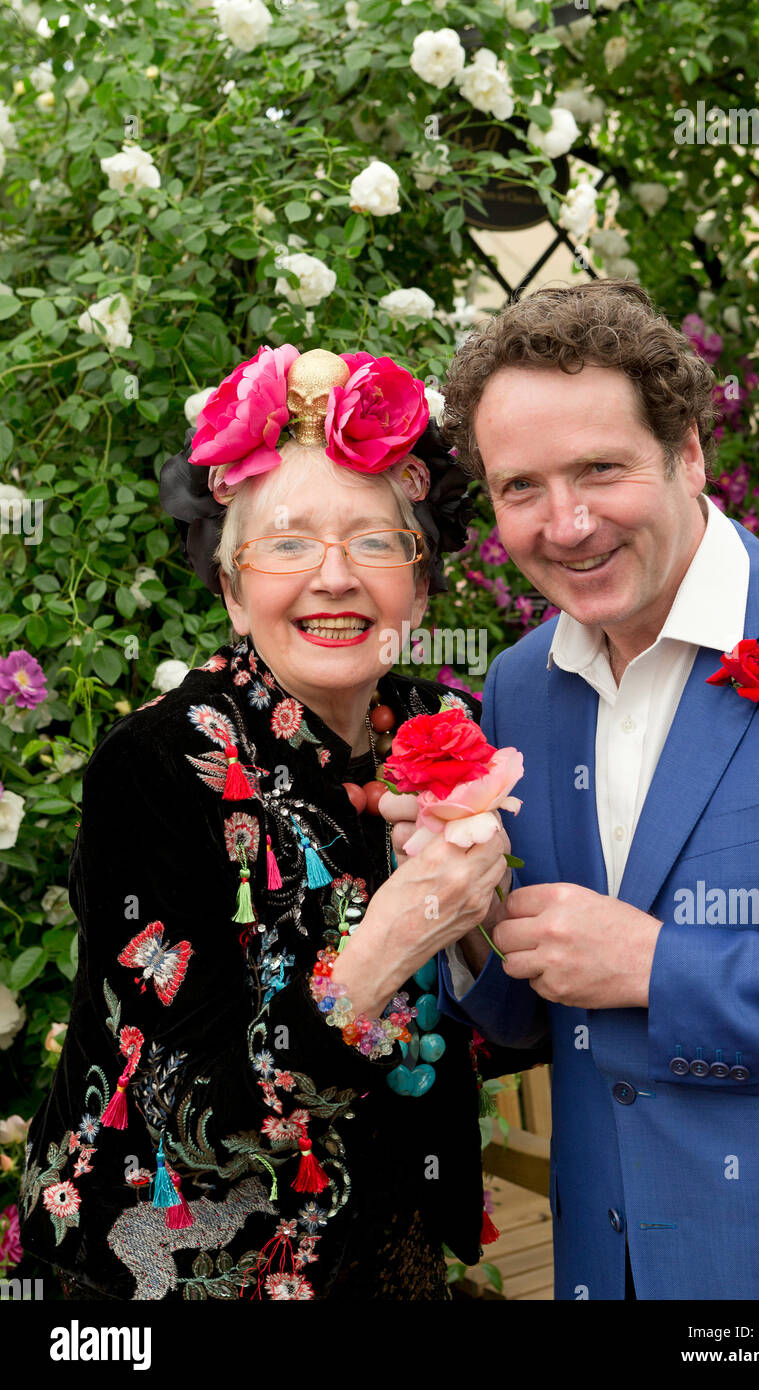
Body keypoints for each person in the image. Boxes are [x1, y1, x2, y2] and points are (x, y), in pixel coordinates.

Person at [385, 280, 759, 1300]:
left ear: (687, 451)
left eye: (599, 468)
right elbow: (527, 1019)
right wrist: (459, 905)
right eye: (521, 487)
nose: (565, 524)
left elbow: (627, 974)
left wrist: (658, 965)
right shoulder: (519, 684)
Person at [17, 342, 519, 1301]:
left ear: (418, 586)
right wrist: (390, 942)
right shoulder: (159, 763)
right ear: (232, 590)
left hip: (388, 1243)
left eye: (375, 543)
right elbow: (195, 1100)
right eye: (287, 544)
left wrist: (478, 934)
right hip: (181, 1266)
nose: (334, 578)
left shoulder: (442, 729)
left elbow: (491, 1030)